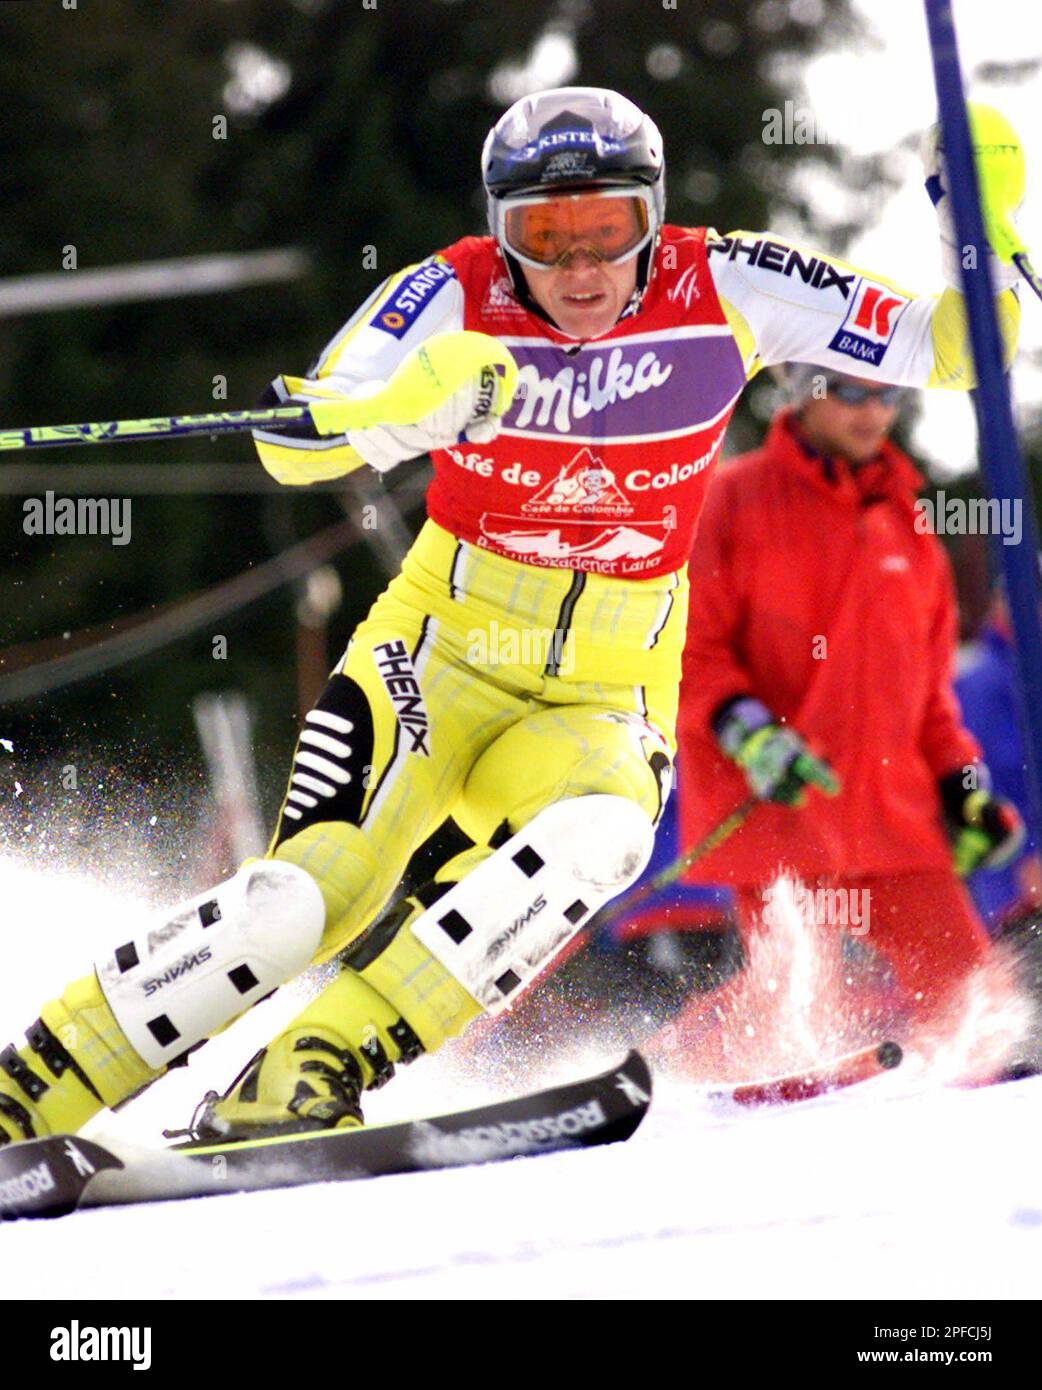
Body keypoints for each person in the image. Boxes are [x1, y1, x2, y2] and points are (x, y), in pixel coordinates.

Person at [0, 87, 1026, 1146]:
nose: (579, 269)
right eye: (543, 237)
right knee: (305, 903)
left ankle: (312, 1067)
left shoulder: (728, 280)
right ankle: (32, 1087)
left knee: (604, 835)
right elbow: (294, 442)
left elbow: (955, 352)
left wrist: (980, 226)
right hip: (436, 656)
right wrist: (409, 401)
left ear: (652, 215)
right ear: (501, 229)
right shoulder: (446, 294)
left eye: (607, 231)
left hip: (602, 684)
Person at [674, 364, 1024, 1029]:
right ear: (801, 392)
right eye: (848, 391)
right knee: (786, 1026)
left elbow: (930, 701)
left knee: (976, 1011)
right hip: (785, 810)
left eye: (887, 394)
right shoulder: (732, 499)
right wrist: (750, 733)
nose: (872, 411)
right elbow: (691, 654)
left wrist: (963, 788)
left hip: (895, 823)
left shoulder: (909, 525)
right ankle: (666, 1078)